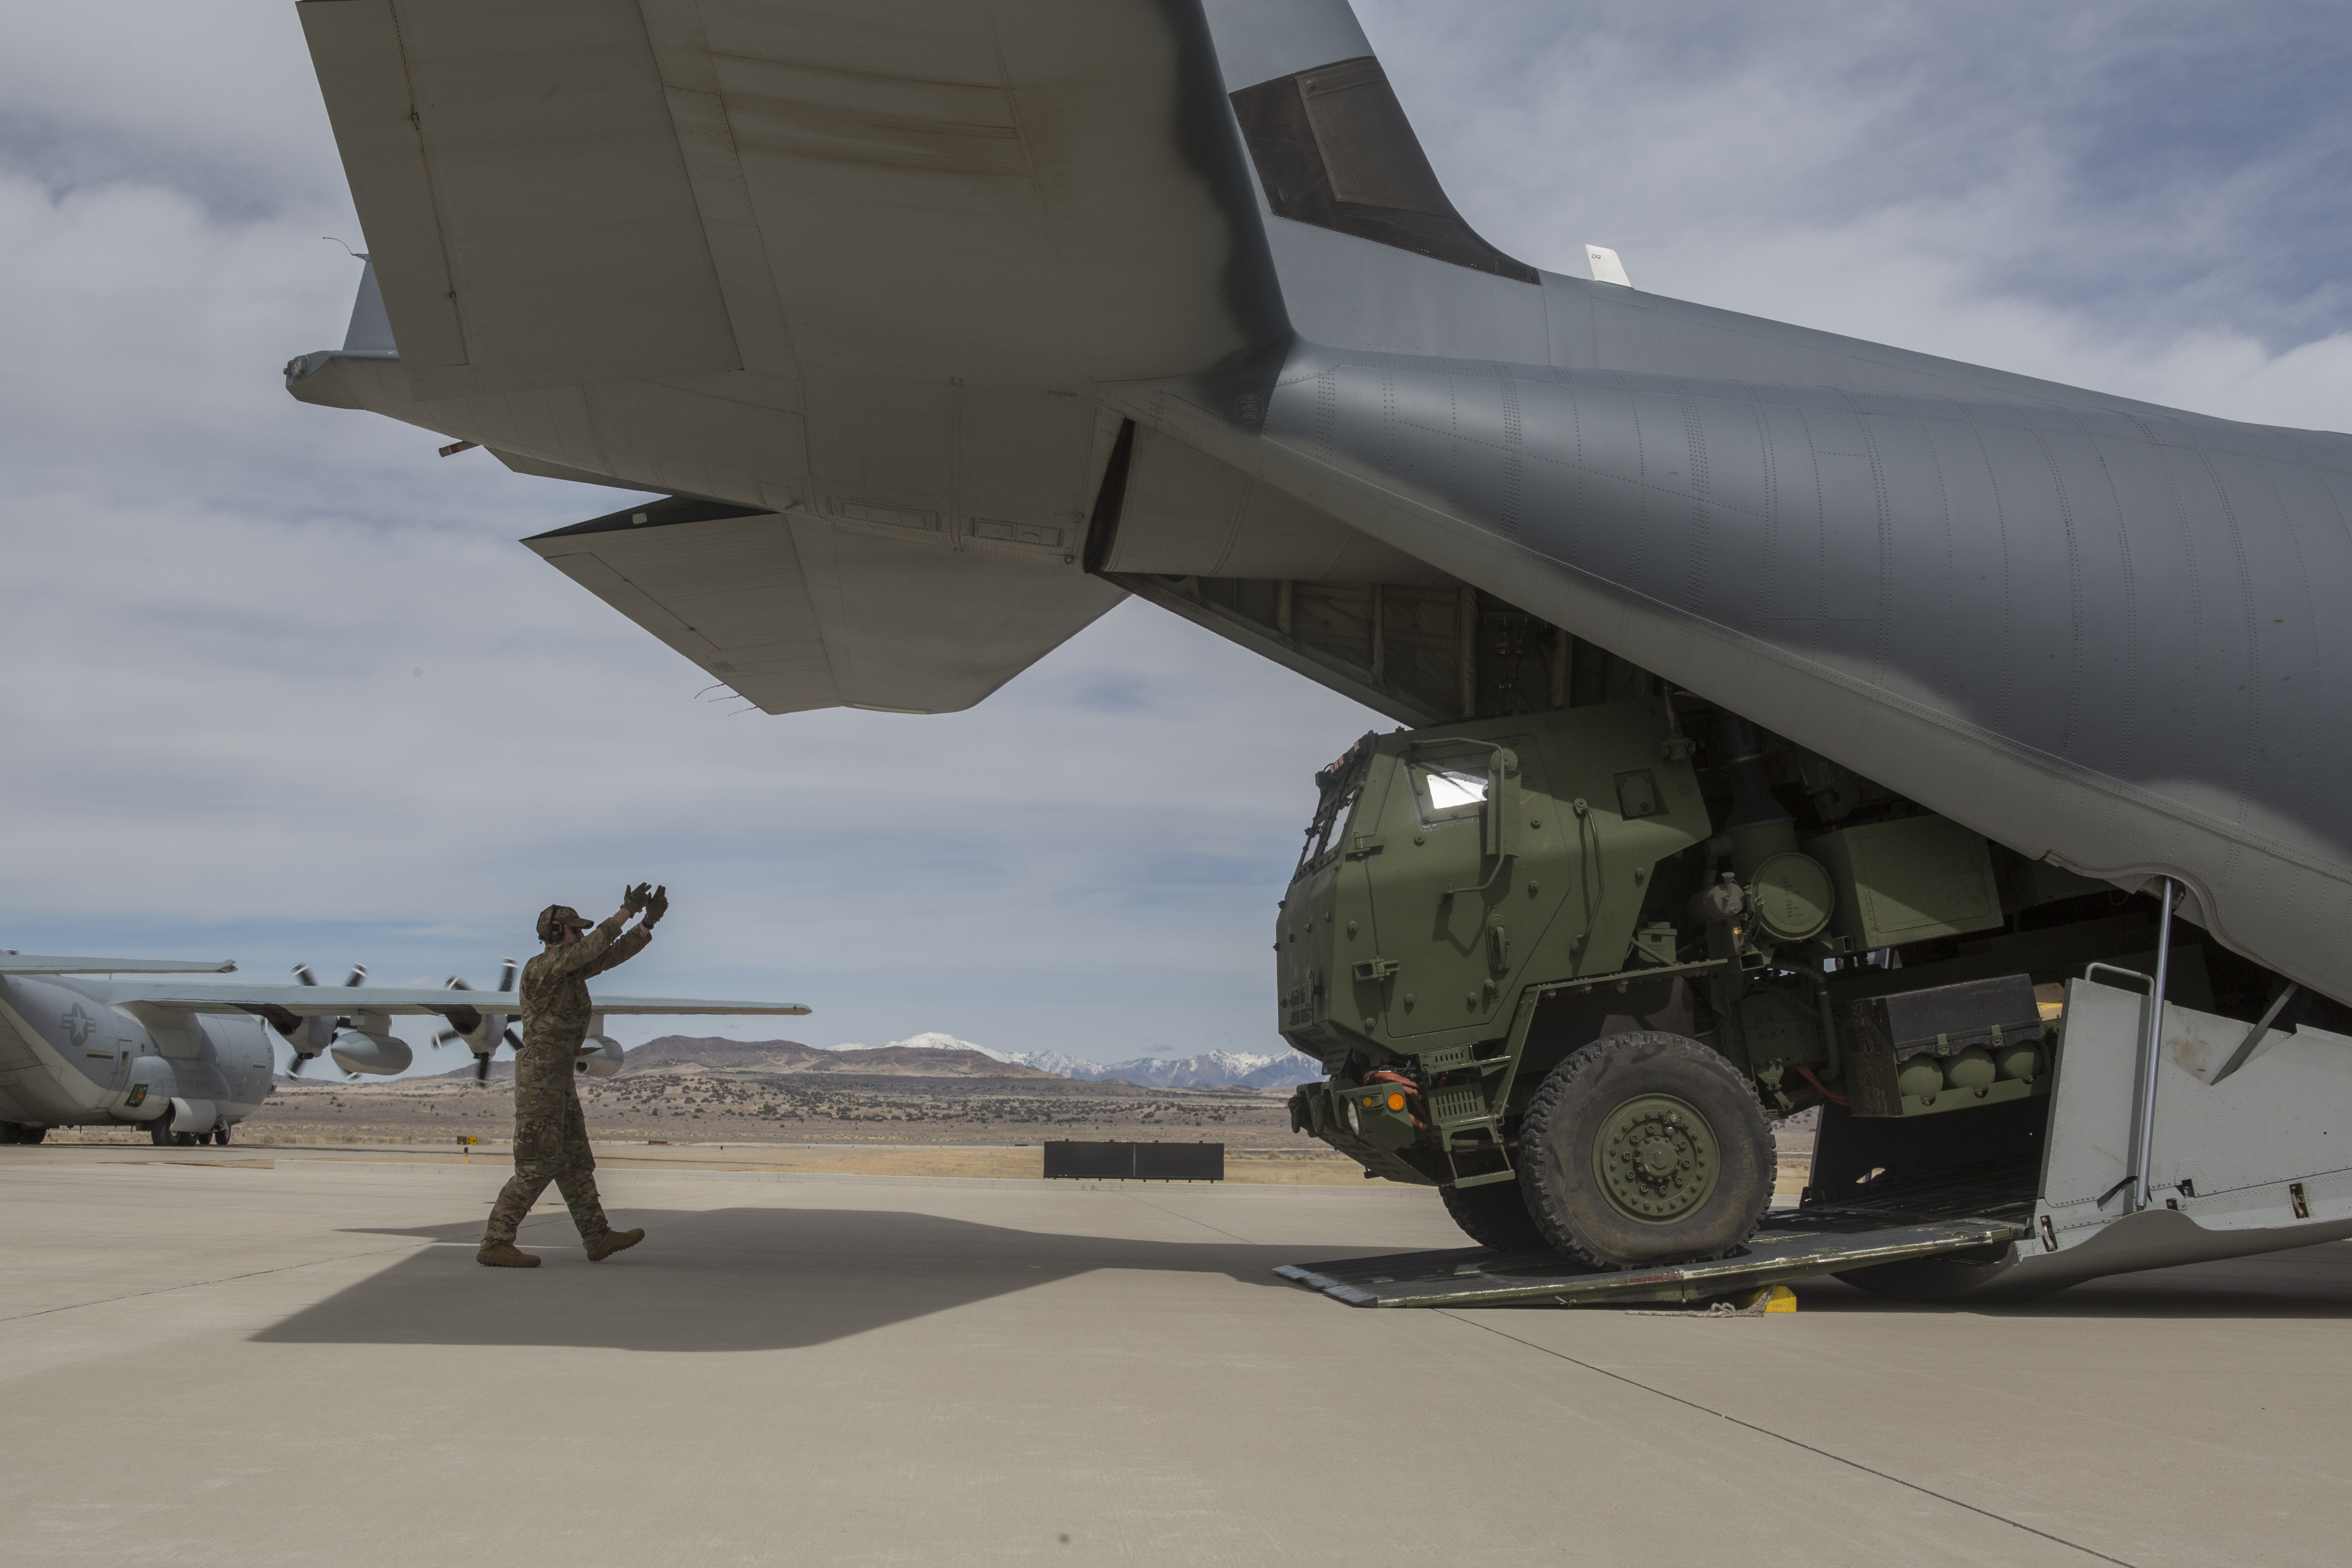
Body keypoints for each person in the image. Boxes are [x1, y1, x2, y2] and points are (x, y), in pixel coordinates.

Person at [477, 882, 668, 1267]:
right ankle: (496, 1242)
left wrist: (647, 924)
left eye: (582, 930)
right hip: (541, 1075)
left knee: (574, 1161)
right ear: (553, 935)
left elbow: (608, 956)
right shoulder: (543, 967)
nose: (581, 935)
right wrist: (625, 911)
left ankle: (597, 1237)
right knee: (538, 1163)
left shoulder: (567, 971)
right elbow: (595, 947)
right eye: (574, 930)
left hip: (558, 1073)